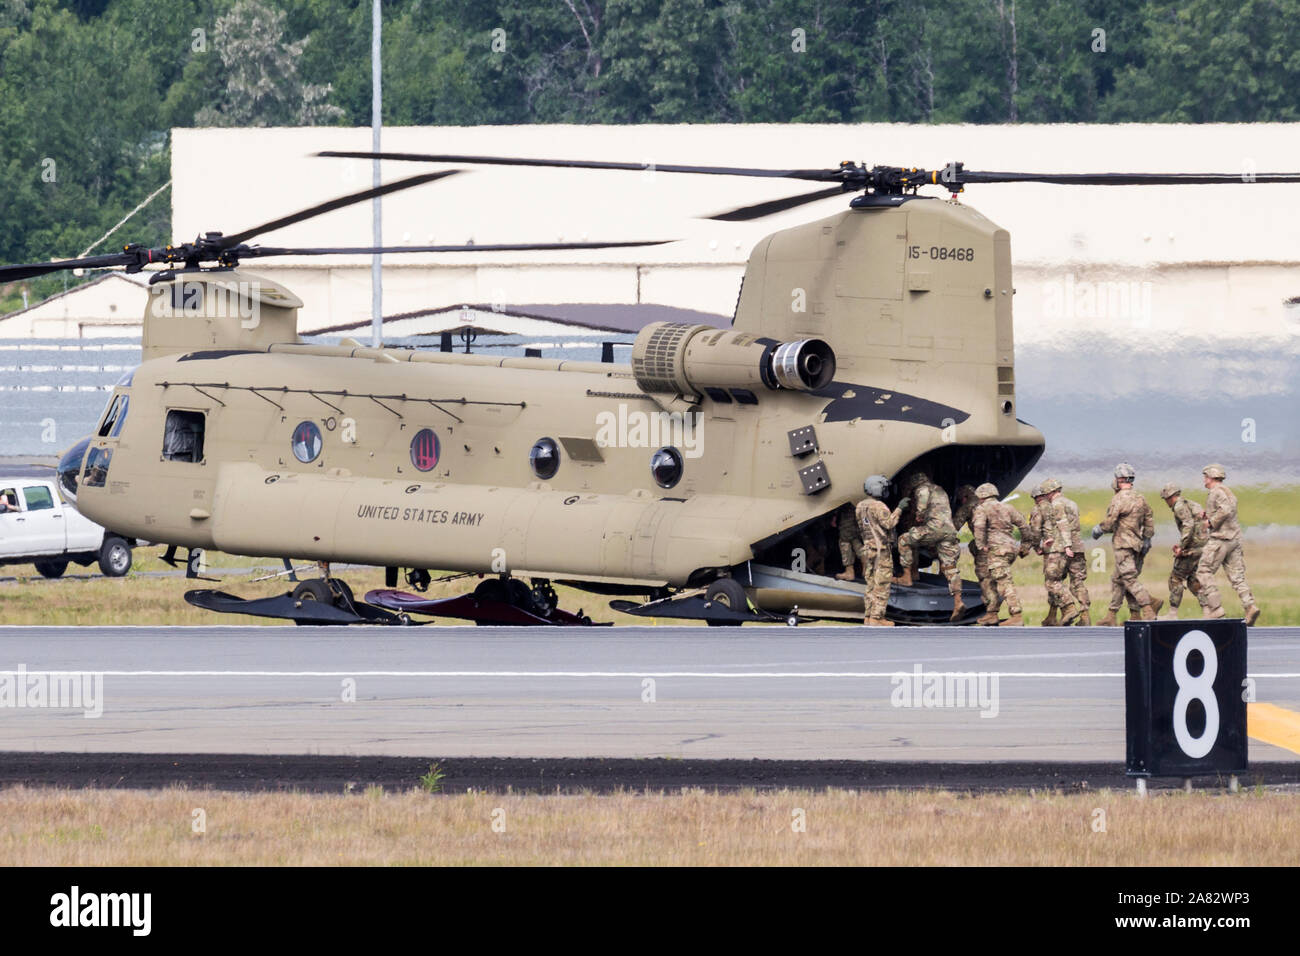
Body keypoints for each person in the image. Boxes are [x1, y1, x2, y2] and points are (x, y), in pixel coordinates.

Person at [1091, 462, 1160, 625]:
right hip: (1137, 544)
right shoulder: (1140, 498)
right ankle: (1115, 615)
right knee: (1118, 579)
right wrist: (1147, 538)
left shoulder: (1119, 499)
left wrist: (1098, 530)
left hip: (1123, 545)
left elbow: (1110, 522)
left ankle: (1149, 607)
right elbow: (1149, 518)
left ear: (1120, 479)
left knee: (1129, 579)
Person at [1194, 464, 1261, 625]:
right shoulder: (1227, 491)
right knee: (1237, 577)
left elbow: (1225, 510)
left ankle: (1215, 609)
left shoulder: (1216, 492)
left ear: (1211, 476)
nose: (1204, 480)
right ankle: (1249, 605)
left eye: (1206, 476)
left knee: (1203, 571)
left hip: (1220, 539)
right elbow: (1226, 509)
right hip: (1234, 540)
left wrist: (1210, 521)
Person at [895, 470, 964, 622]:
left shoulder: (923, 489)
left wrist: (919, 515)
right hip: (949, 530)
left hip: (934, 528)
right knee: (950, 567)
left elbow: (922, 506)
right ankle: (958, 600)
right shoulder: (940, 489)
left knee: (904, 539)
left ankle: (907, 576)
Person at [972, 482, 1031, 626]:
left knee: (1003, 580)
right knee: (988, 578)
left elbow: (979, 527)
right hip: (1010, 548)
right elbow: (1024, 525)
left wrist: (981, 545)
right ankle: (991, 613)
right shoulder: (1008, 507)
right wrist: (1025, 546)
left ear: (981, 496)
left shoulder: (982, 508)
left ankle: (1016, 615)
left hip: (996, 550)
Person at [856, 475, 908, 626]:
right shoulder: (879, 506)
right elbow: (889, 523)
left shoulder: (860, 506)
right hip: (881, 550)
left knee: (870, 584)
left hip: (868, 548)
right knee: (882, 584)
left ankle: (868, 616)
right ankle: (877, 618)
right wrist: (899, 509)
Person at [1030, 481, 1082, 627]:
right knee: (1057, 580)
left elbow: (1035, 530)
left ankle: (1069, 608)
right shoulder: (1068, 504)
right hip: (1068, 547)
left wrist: (1035, 546)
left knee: (1052, 582)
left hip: (1054, 549)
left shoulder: (1043, 508)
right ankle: (1052, 616)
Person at [1044, 478, 1090, 625]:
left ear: (1050, 492)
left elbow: (1063, 525)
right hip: (1078, 547)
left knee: (1052, 581)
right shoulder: (1072, 503)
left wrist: (1066, 546)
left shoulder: (1056, 504)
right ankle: (1085, 616)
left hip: (1062, 547)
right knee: (1078, 582)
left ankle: (1069, 608)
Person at [1160, 481, 1207, 619]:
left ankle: (1172, 613)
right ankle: (1209, 610)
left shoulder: (1179, 506)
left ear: (1170, 496)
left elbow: (1188, 525)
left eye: (1166, 499)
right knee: (1193, 580)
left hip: (1191, 548)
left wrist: (1181, 546)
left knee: (1176, 578)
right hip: (1201, 547)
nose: (1166, 502)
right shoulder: (1192, 504)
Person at [952, 484, 995, 617]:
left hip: (985, 545)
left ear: (964, 498)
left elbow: (954, 526)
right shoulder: (992, 505)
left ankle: (991, 612)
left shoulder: (968, 506)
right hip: (1002, 544)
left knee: (984, 576)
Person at [834, 501, 864, 581]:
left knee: (845, 540)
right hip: (857, 506)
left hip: (848, 507)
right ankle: (866, 566)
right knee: (854, 538)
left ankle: (849, 571)